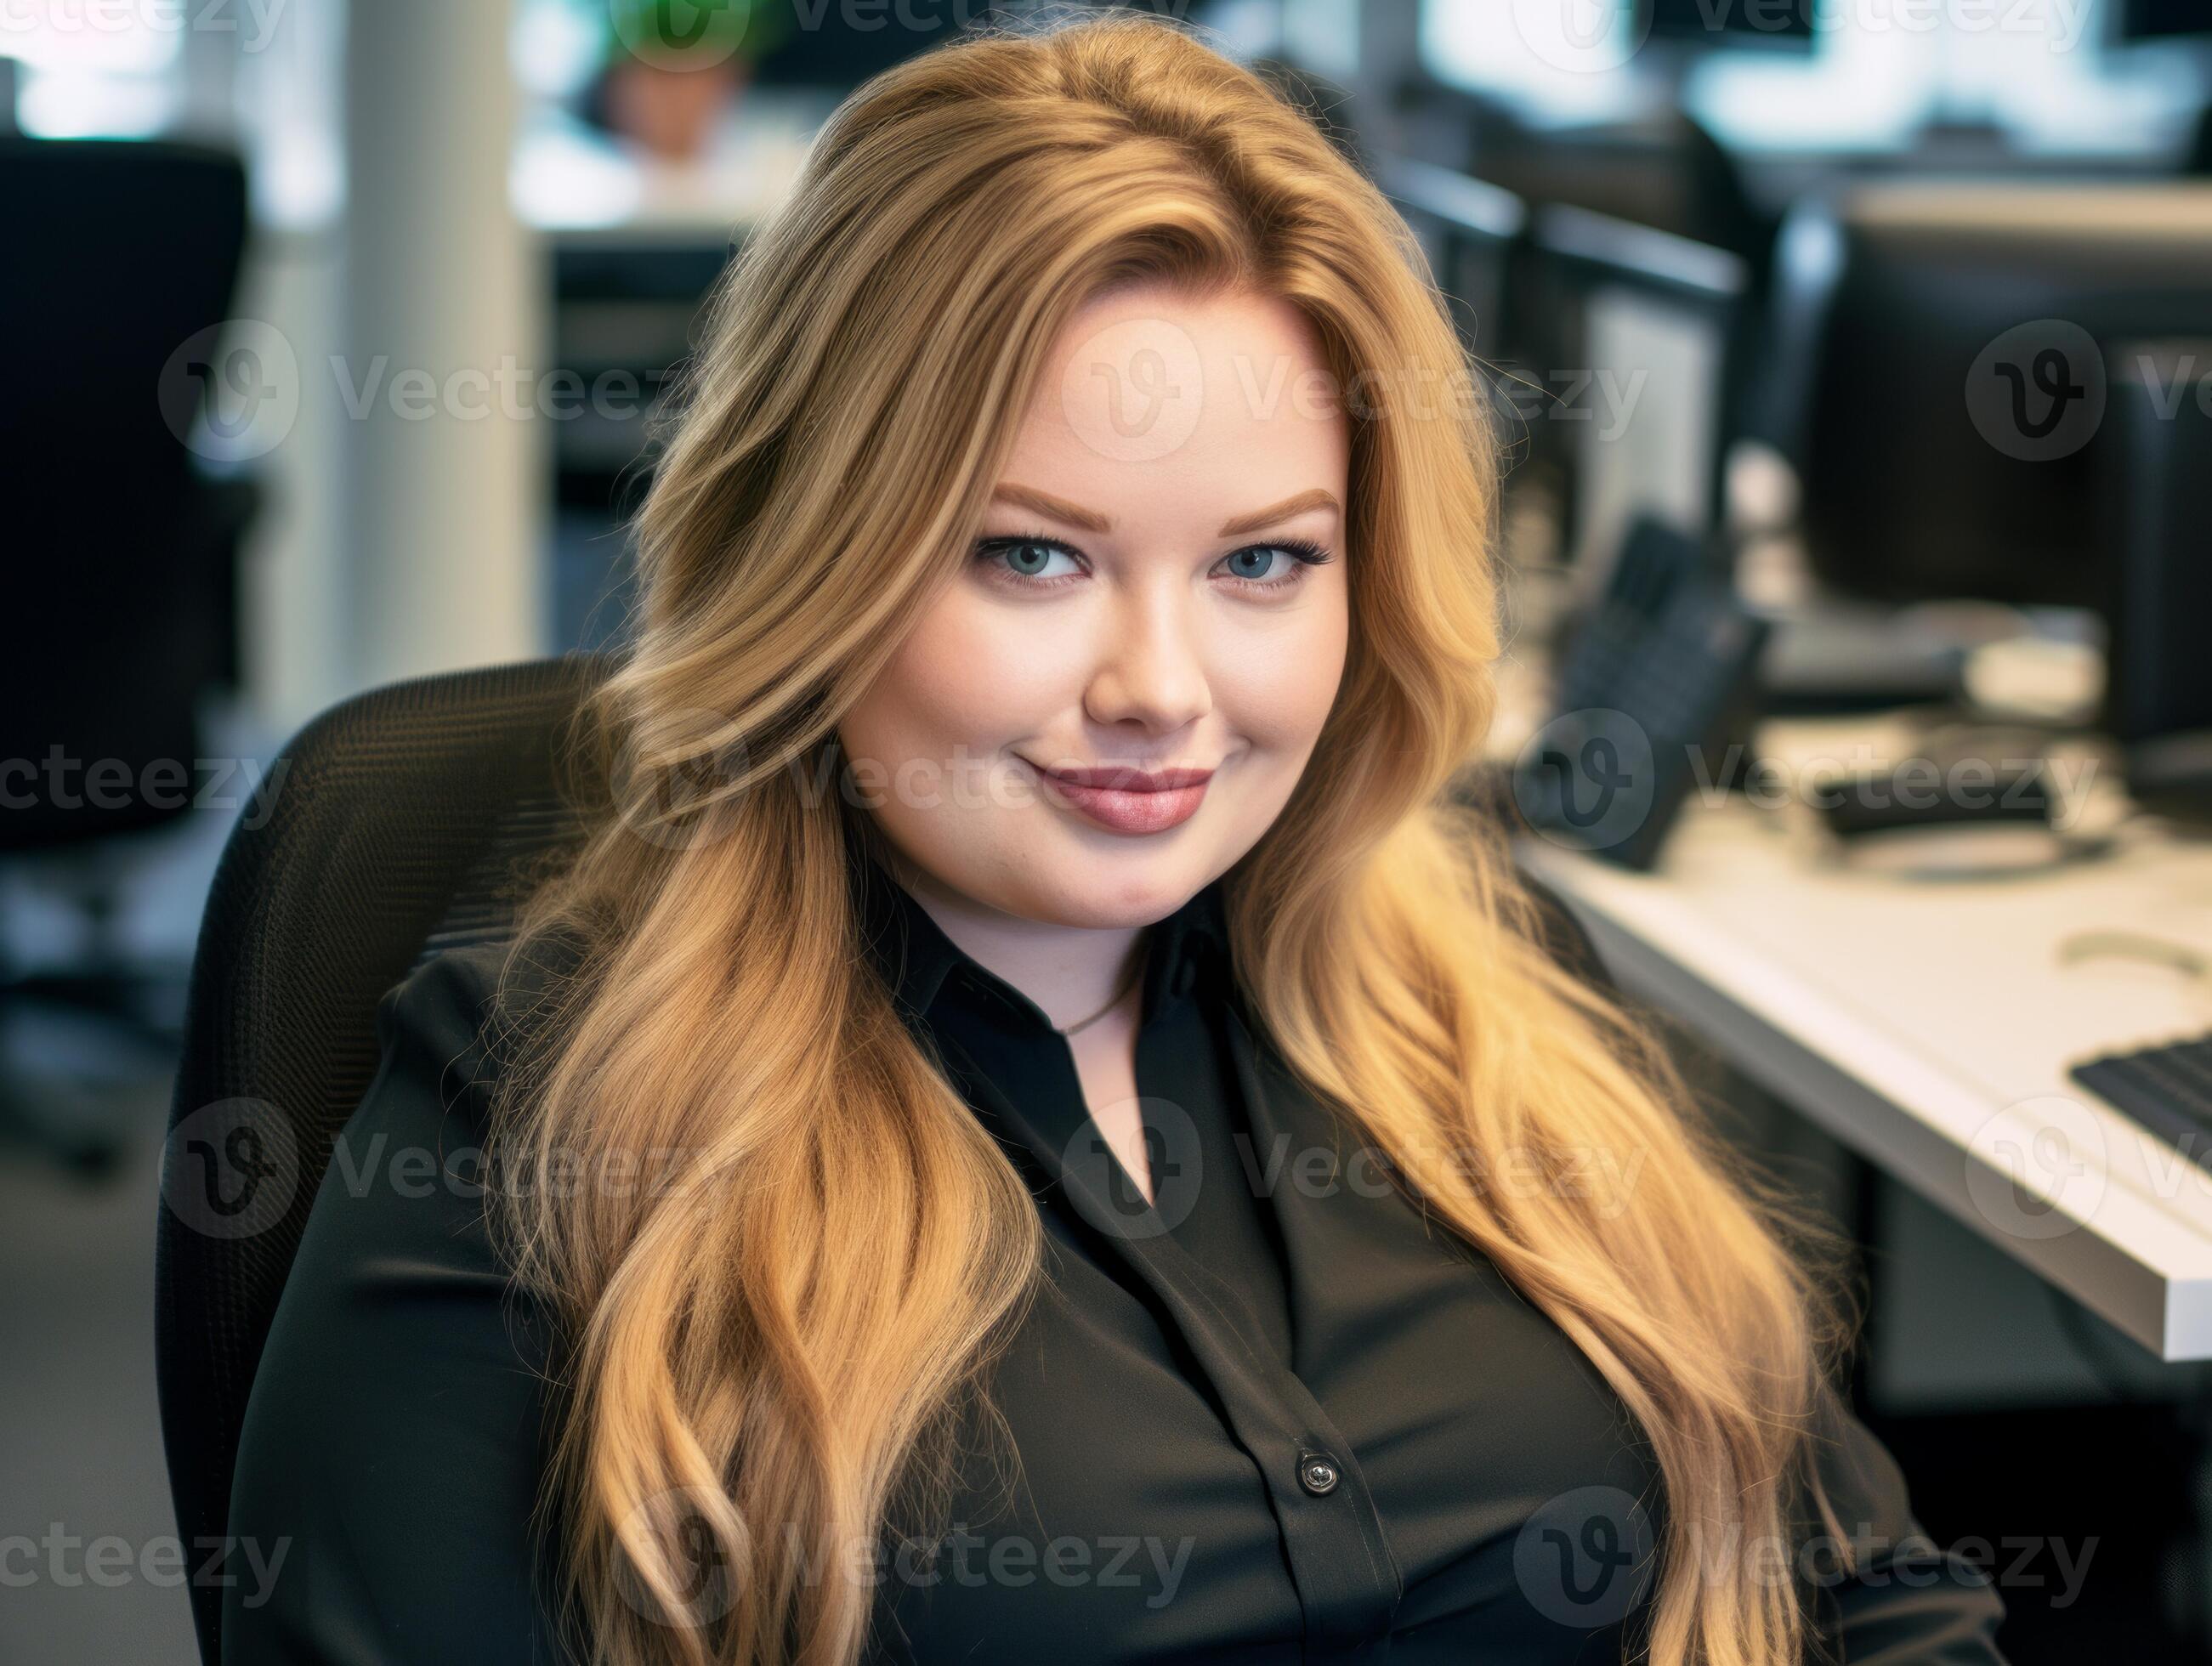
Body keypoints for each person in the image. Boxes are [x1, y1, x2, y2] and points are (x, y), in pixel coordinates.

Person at [223, 13, 2010, 1665]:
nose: (1161, 687)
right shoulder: (551, 1118)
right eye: (1031, 554)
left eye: (1261, 561)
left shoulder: (1488, 992)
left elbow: (1854, 1581)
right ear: (818, 562)